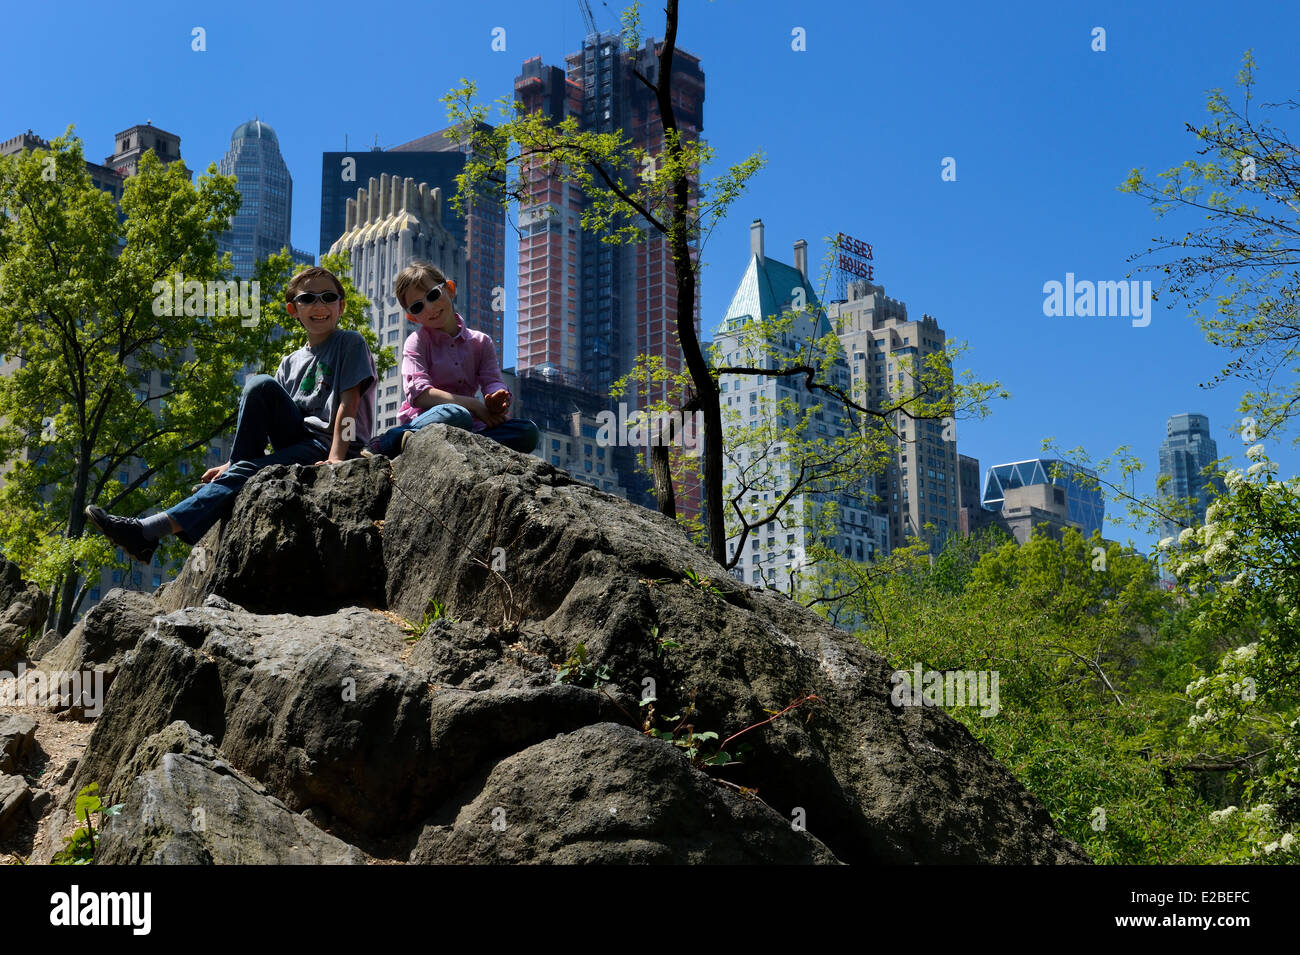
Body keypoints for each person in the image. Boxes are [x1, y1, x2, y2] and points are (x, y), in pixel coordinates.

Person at [85, 266, 377, 562]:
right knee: (259, 385)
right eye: (308, 299)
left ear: (341, 305)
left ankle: (147, 532)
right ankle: (233, 473)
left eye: (328, 297)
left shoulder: (349, 342)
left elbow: (349, 404)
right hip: (296, 442)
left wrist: (338, 457)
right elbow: (269, 422)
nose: (319, 305)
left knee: (246, 458)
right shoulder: (290, 362)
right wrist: (234, 462)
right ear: (293, 310)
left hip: (329, 444)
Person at [364, 262, 538, 457]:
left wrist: (497, 399)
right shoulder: (417, 342)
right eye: (418, 306)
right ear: (412, 318)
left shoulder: (481, 342)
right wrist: (473, 405)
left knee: (527, 431)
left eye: (433, 295)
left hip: (472, 426)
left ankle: (471, 447)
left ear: (450, 289)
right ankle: (392, 440)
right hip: (434, 418)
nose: (430, 308)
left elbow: (493, 381)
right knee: (456, 414)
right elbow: (419, 394)